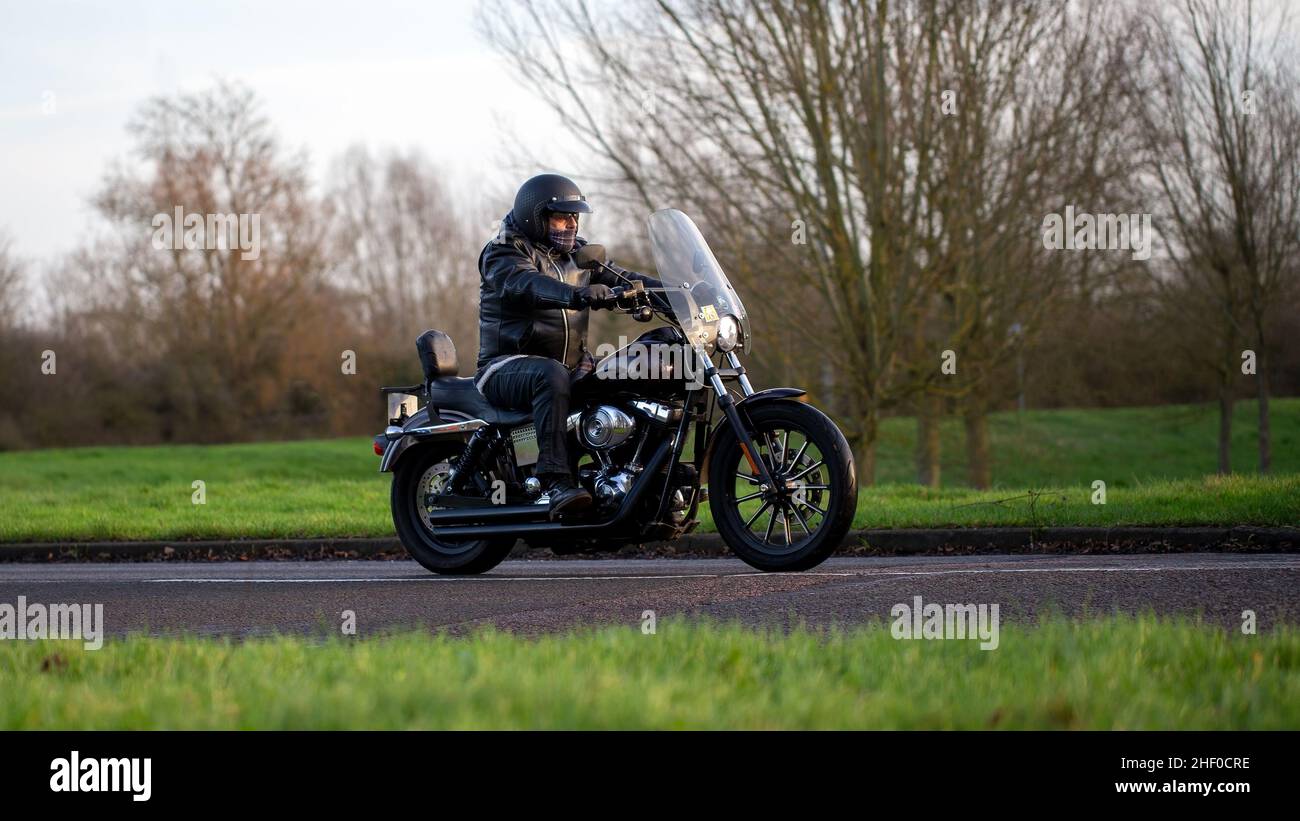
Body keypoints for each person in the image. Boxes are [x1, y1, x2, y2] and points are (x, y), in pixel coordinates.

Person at [475, 173, 660, 518]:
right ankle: (555, 481)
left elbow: (621, 278)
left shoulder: (576, 252)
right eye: (562, 217)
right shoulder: (503, 251)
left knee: (629, 371)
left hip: (571, 366)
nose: (571, 225)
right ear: (536, 217)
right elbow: (525, 284)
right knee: (550, 374)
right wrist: (576, 295)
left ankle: (627, 479)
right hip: (504, 368)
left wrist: (674, 293)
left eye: (574, 217)